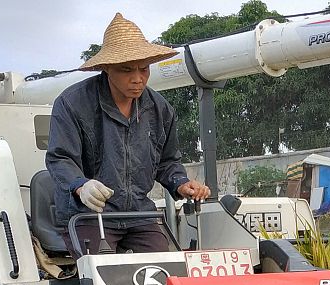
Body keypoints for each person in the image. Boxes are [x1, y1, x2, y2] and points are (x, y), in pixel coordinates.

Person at [46, 13, 211, 256]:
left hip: (138, 213)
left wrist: (182, 184)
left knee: (166, 269)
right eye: (126, 70)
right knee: (100, 277)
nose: (137, 78)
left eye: (143, 69)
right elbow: (60, 159)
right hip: (89, 215)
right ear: (106, 68)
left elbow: (167, 162)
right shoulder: (72, 103)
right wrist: (81, 186)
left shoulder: (160, 109)